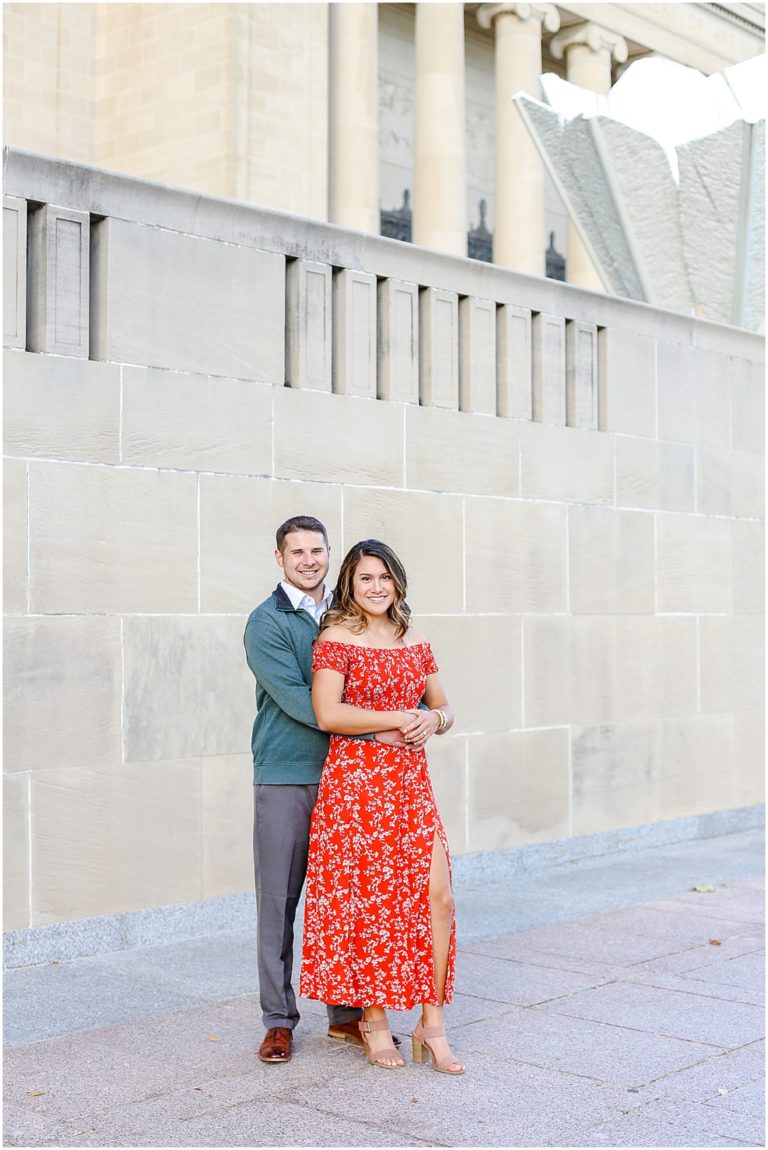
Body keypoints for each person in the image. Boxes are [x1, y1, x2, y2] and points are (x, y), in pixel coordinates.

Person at [243, 517, 436, 1065]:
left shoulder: (350, 612)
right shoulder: (266, 623)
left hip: (352, 778)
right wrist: (382, 725)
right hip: (290, 773)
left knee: (352, 895)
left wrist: (424, 715)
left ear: (330, 554)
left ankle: (347, 1016)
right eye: (296, 551)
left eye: (317, 550)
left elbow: (390, 675)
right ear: (279, 557)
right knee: (280, 900)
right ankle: (279, 1020)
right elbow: (306, 703)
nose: (308, 559)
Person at [300, 539, 464, 1075]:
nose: (376, 587)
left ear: (397, 583)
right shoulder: (336, 638)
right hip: (356, 788)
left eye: (384, 578)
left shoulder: (414, 638)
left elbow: (442, 707)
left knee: (435, 895)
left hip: (410, 786)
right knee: (371, 904)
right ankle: (373, 1019)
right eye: (365, 578)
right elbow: (328, 713)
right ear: (350, 583)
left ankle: (430, 1022)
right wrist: (396, 716)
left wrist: (430, 721)